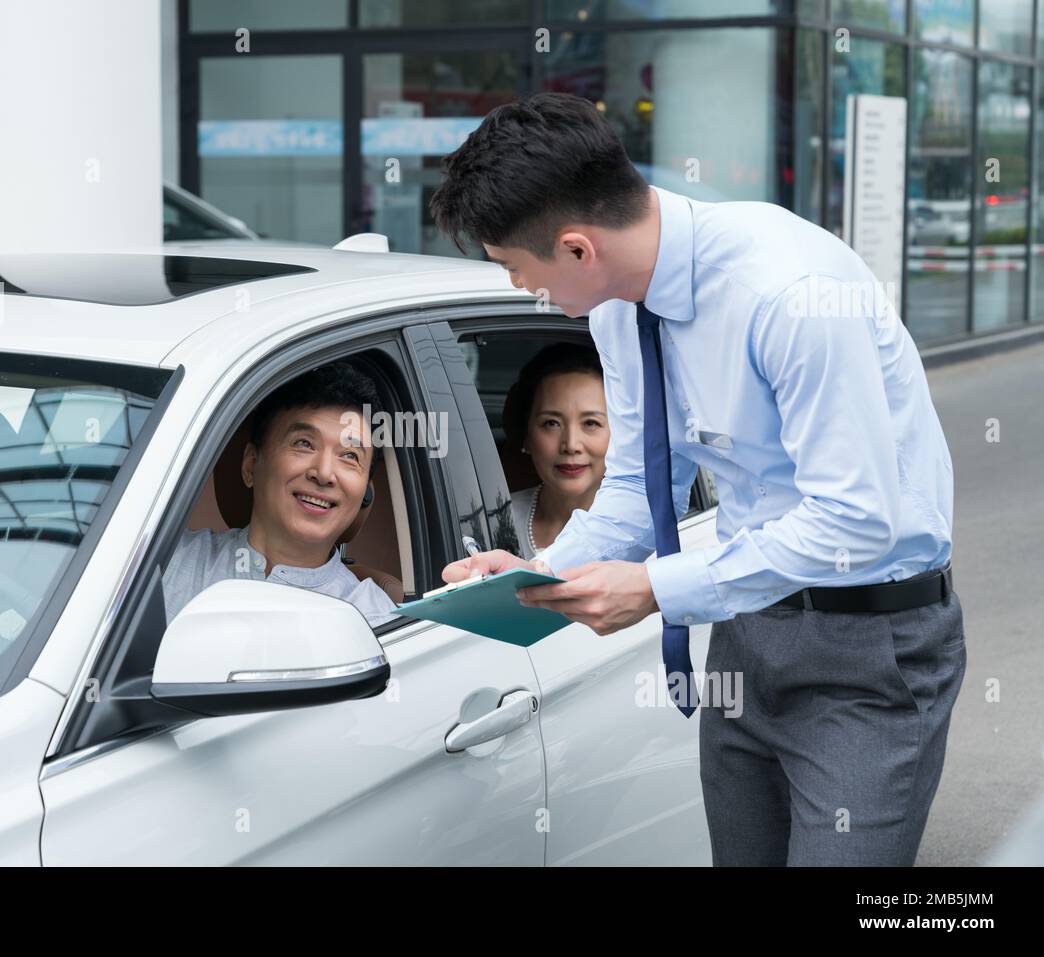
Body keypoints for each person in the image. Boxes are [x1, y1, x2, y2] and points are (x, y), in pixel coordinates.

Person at [430, 91, 964, 867]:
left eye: (514, 267)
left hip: (869, 651)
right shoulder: (618, 304)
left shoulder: (791, 295)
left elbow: (855, 521)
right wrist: (542, 574)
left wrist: (656, 587)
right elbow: (644, 480)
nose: (518, 288)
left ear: (578, 248)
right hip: (747, 629)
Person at [161, 361, 399, 628]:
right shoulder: (166, 563)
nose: (323, 473)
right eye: (304, 443)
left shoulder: (374, 620)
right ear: (251, 464)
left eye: (350, 456)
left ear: (364, 493)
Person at [502, 343, 609, 561]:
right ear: (527, 434)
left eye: (591, 423)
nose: (571, 444)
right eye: (551, 423)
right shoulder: (496, 519)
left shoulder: (641, 530)